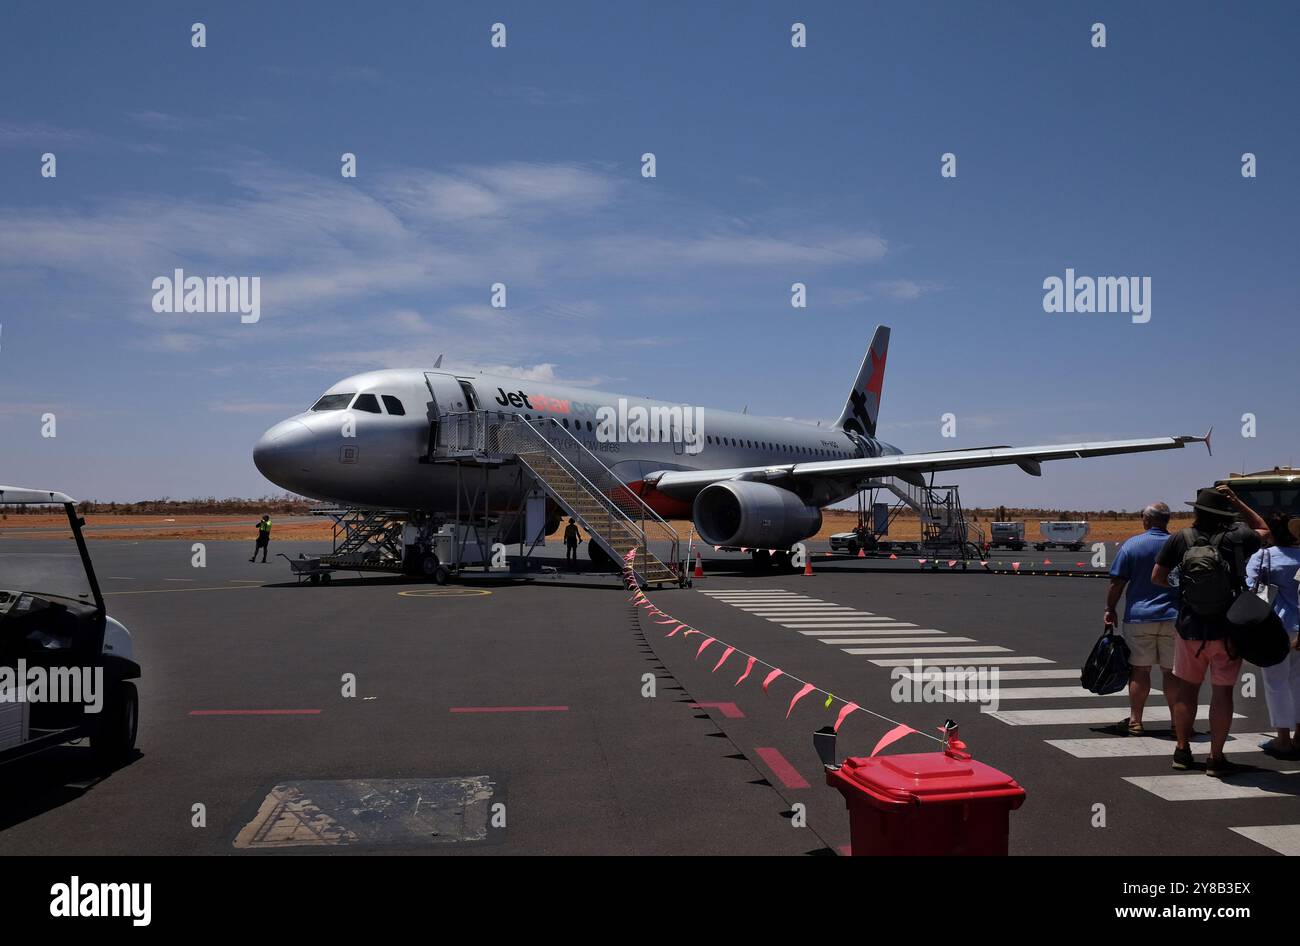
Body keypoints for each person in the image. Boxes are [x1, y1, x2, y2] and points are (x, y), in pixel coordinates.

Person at [1152, 484, 1270, 776]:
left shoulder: (1180, 538)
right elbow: (1264, 529)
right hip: (1228, 629)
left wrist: (1186, 589)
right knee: (1222, 693)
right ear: (1225, 512)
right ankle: (1216, 758)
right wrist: (1238, 502)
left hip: (1190, 627)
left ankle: (1182, 749)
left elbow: (1158, 577)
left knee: (1187, 690)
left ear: (1196, 510)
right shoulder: (1239, 537)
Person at [1105, 502, 1179, 735]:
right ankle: (1178, 723)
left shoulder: (1132, 545)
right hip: (1174, 616)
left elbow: (1117, 582)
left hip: (1139, 616)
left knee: (1139, 670)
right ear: (1167, 520)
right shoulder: (1179, 544)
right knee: (1172, 672)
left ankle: (1136, 720)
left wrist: (1110, 608)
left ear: (1145, 520)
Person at [1247, 513, 1300, 758]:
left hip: (1275, 626)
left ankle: (1282, 738)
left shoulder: (1264, 556)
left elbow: (1250, 589)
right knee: (1297, 682)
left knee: (1276, 682)